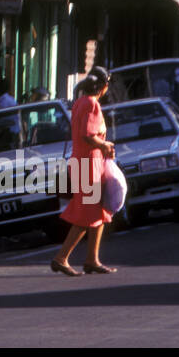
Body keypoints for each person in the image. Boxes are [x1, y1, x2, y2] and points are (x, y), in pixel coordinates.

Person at [51, 67, 117, 276]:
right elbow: (88, 135)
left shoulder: (80, 102)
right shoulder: (91, 104)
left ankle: (92, 259)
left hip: (85, 163)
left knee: (99, 211)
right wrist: (105, 145)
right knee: (86, 215)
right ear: (103, 86)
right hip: (88, 165)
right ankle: (61, 258)